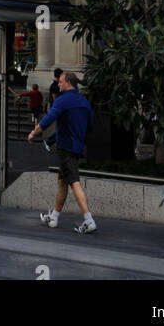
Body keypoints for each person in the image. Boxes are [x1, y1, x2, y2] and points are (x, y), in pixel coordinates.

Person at [28, 70, 97, 234]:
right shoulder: (84, 101)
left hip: (66, 147)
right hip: (77, 145)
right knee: (62, 182)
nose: (58, 84)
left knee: (74, 181)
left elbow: (47, 119)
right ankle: (54, 217)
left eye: (60, 82)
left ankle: (89, 220)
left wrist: (33, 133)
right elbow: (91, 126)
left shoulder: (63, 100)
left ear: (68, 83)